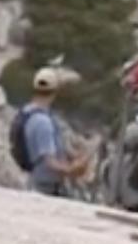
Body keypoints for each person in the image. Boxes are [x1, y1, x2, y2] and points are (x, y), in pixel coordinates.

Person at [9, 68, 93, 198]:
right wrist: (72, 170)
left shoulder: (28, 111)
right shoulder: (43, 123)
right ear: (55, 92)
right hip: (46, 187)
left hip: (36, 181)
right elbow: (50, 162)